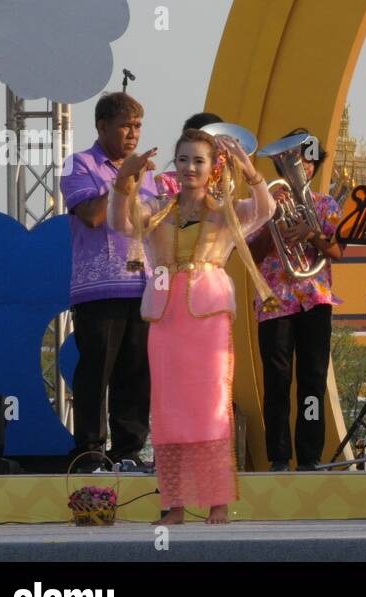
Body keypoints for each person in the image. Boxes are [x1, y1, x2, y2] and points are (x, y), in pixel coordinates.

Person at [108, 128, 277, 524]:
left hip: (208, 319)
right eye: (182, 159)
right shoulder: (158, 209)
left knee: (211, 408)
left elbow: (264, 210)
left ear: (212, 167)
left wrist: (251, 173)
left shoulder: (224, 212)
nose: (189, 168)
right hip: (167, 318)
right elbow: (121, 223)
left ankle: (218, 502)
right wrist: (122, 181)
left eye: (198, 160)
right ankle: (176, 505)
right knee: (169, 411)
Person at [60, 92, 156, 469]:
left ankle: (128, 452)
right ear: (101, 126)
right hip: (97, 290)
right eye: (125, 126)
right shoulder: (79, 164)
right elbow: (92, 216)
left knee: (135, 373)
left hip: (142, 286)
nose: (133, 133)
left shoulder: (148, 174)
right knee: (95, 370)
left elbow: (156, 224)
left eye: (137, 126)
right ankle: (89, 451)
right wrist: (123, 179)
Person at [246, 131, 344, 471]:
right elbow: (250, 255)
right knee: (276, 382)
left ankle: (310, 454)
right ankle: (279, 455)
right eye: (289, 159)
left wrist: (311, 233)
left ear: (314, 166)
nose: (298, 166)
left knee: (313, 380)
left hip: (315, 301)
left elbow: (336, 251)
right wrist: (273, 226)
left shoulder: (325, 205)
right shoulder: (265, 203)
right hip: (274, 303)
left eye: (305, 159)